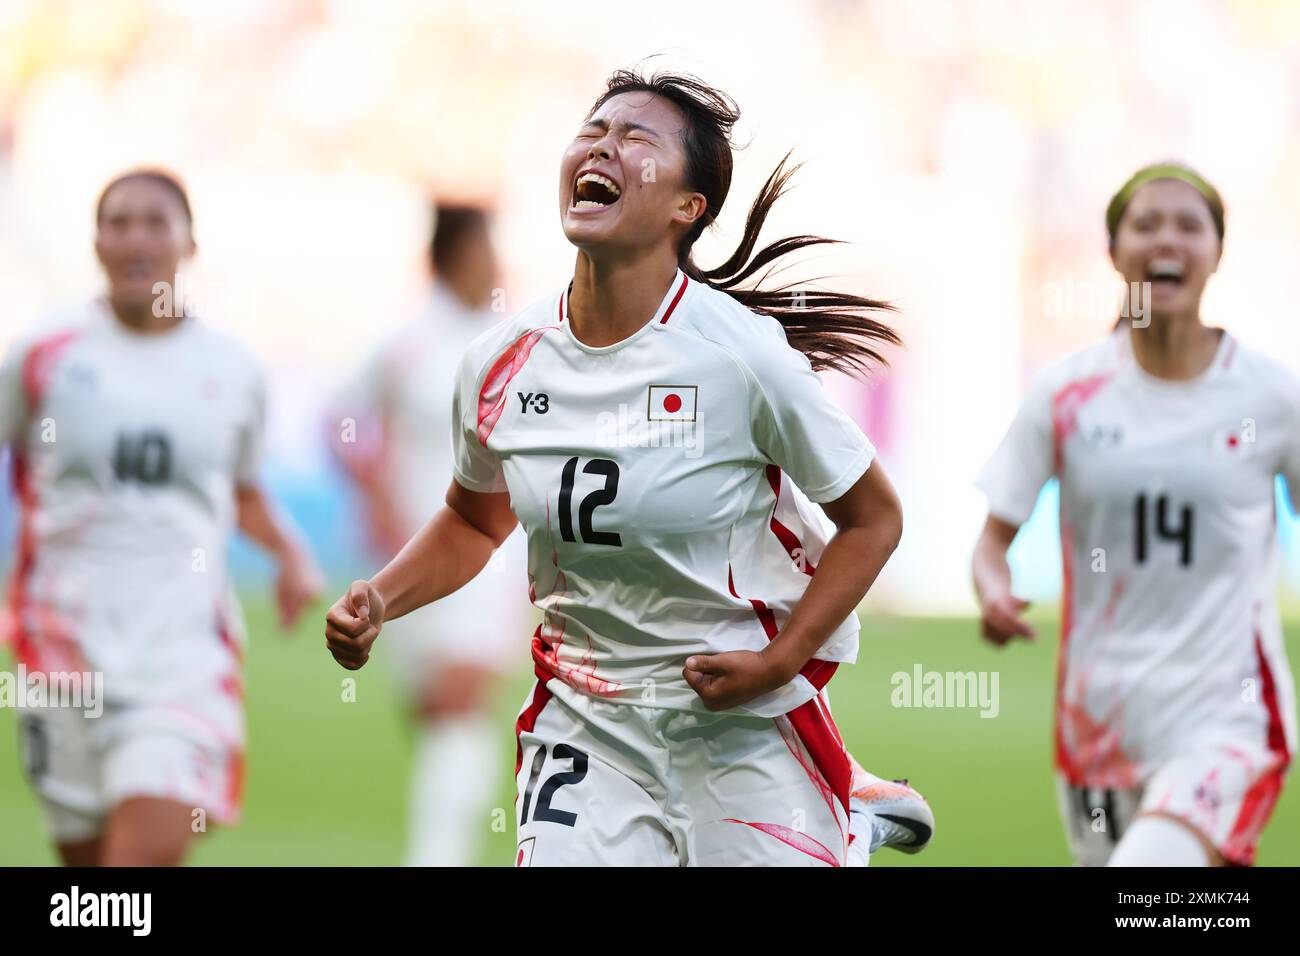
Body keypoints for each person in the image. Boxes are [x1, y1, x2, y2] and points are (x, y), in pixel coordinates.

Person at [326, 69, 931, 866]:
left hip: (739, 724)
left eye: (637, 138)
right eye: (595, 129)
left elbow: (874, 519)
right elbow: (478, 518)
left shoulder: (741, 358)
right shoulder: (501, 361)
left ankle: (839, 801)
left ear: (689, 208)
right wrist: (381, 597)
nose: (603, 145)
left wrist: (779, 664)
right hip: (587, 724)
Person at [973, 162, 1298, 866]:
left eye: (1189, 224)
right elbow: (994, 539)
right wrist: (995, 592)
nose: (1166, 240)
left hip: (1228, 720)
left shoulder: (1273, 396)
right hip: (1101, 728)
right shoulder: (1067, 393)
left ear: (1218, 249)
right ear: (1113, 249)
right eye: (1146, 224)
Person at [1, 168, 324, 866]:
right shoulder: (42, 356)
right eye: (118, 222)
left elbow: (241, 488)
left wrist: (292, 555)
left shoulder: (233, 369)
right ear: (96, 242)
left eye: (155, 221)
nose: (135, 238)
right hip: (62, 653)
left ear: (188, 242)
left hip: (181, 659)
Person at [329, 203, 530, 866]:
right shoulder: (407, 345)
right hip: (410, 555)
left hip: (489, 554)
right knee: (439, 715)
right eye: (484, 250)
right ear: (455, 257)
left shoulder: (514, 341)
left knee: (458, 695)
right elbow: (340, 424)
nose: (495, 264)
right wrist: (376, 499)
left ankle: (438, 858)